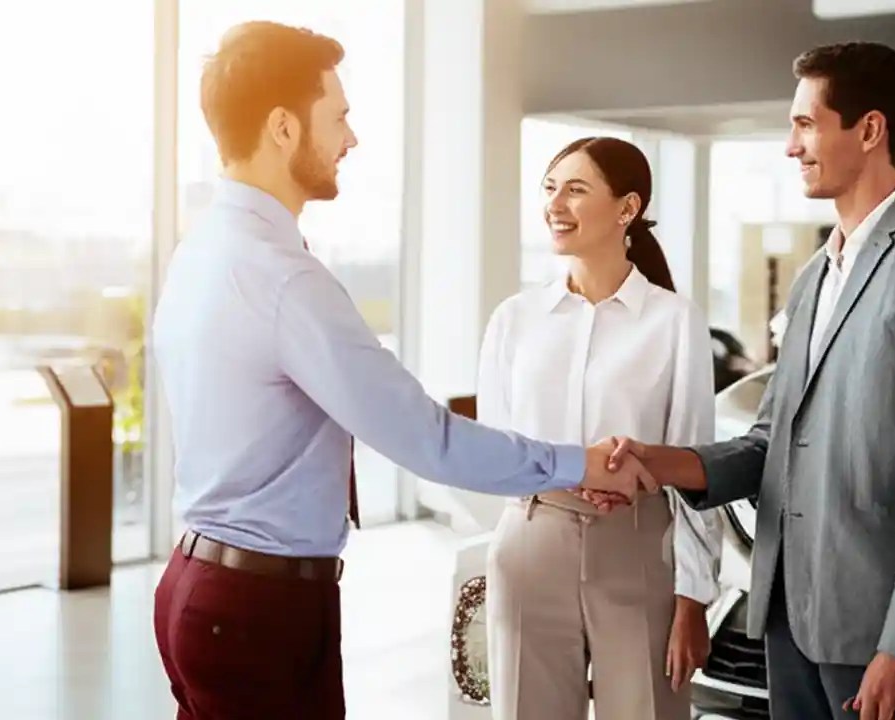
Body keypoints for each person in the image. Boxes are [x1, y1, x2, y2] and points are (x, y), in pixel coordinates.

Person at [150, 22, 654, 720]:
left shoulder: (203, 250)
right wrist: (579, 464)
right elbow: (426, 439)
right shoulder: (284, 279)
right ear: (283, 129)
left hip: (201, 585)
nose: (351, 139)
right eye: (338, 117)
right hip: (256, 610)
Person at [604, 42, 895, 720]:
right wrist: (658, 462)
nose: (791, 147)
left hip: (877, 624)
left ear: (869, 130)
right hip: (788, 610)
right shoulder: (816, 275)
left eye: (806, 124)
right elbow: (773, 442)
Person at [477, 137, 723, 720]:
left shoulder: (674, 320)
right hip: (533, 540)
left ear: (627, 208)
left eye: (576, 189)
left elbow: (696, 465)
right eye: (549, 188)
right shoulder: (514, 319)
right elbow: (493, 450)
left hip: (638, 545)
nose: (555, 204)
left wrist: (694, 595)